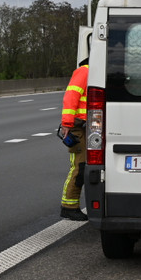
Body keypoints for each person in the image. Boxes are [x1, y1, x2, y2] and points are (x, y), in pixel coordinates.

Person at [56, 58, 90, 220]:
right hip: (78, 127)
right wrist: (67, 124)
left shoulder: (92, 72)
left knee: (84, 167)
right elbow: (70, 98)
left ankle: (70, 205)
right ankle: (69, 206)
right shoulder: (84, 71)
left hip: (87, 127)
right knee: (79, 167)